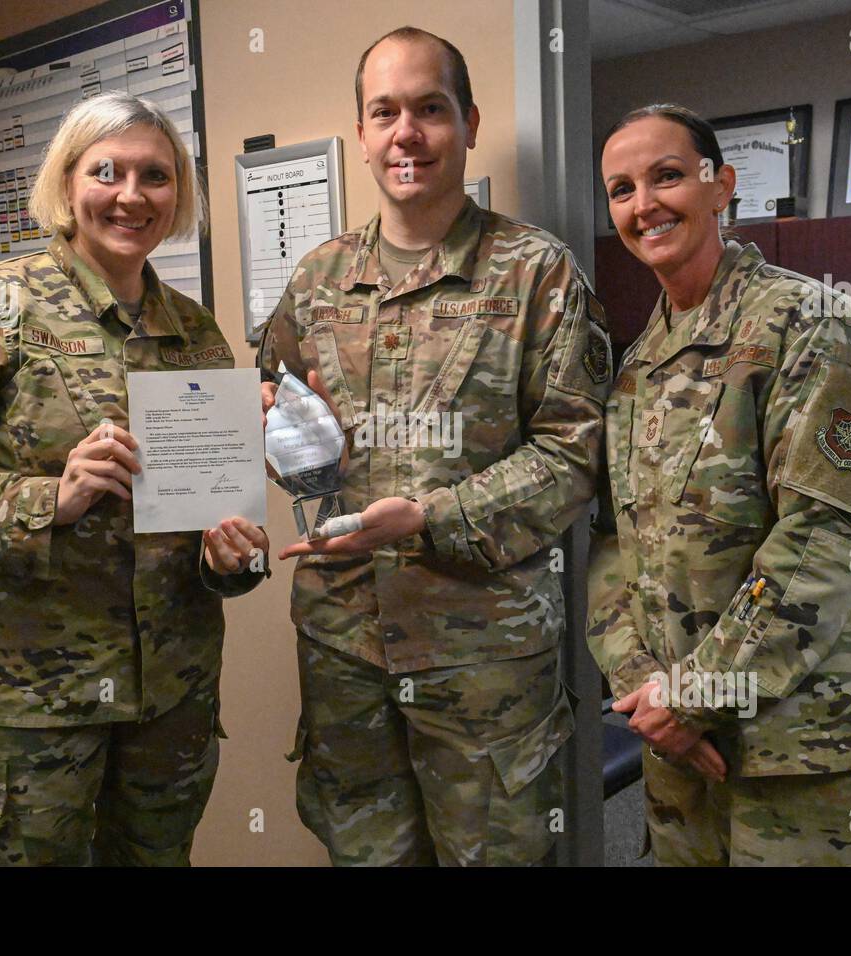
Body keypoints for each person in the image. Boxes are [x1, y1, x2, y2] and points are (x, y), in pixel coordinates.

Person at [0, 91, 268, 866]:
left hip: (166, 698)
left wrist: (229, 560)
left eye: (157, 174)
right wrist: (50, 499)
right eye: (106, 171)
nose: (132, 195)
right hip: (24, 707)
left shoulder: (196, 334)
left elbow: (207, 526)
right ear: (66, 181)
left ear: (179, 192)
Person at [258, 26, 611, 866]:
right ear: (362, 134)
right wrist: (273, 424)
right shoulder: (316, 280)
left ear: (470, 123)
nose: (406, 133)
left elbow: (575, 455)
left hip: (482, 658)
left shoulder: (537, 273)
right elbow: (283, 415)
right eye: (385, 112)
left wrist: (430, 517)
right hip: (345, 645)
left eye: (430, 109)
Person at [589, 103, 851, 866]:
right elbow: (608, 543)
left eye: (666, 177)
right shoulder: (638, 363)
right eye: (622, 189)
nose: (644, 204)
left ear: (721, 188)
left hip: (812, 754)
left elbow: (822, 547)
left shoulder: (810, 326)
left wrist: (692, 699)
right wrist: (645, 689)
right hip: (682, 755)